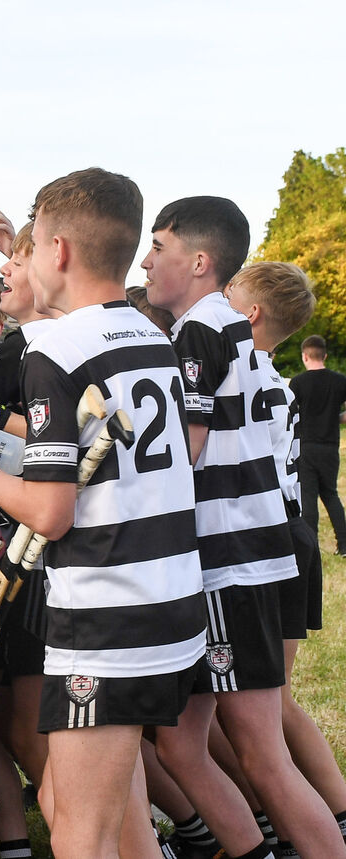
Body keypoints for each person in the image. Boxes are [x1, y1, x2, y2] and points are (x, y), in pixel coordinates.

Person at [0, 168, 206, 858]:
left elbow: (51, 511)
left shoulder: (55, 351)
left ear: (56, 252)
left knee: (80, 830)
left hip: (106, 611)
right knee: (90, 811)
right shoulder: (150, 335)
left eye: (31, 250)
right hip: (170, 598)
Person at [143, 196, 345, 859]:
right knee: (180, 741)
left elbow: (185, 450)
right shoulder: (225, 328)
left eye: (160, 247)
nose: (148, 260)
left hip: (230, 563)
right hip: (242, 554)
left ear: (199, 262)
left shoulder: (203, 328)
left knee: (260, 753)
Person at [225, 263, 346, 844]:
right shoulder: (269, 373)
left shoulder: (250, 373)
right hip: (287, 530)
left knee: (269, 709)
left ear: (249, 313)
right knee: (269, 706)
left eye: (229, 293)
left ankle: (318, 821)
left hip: (275, 535)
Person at [290, 334, 346, 555]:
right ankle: (343, 545)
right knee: (331, 495)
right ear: (325, 355)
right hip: (330, 446)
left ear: (305, 356)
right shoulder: (340, 381)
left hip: (306, 447)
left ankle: (310, 547)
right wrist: (338, 417)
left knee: (308, 498)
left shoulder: (298, 383)